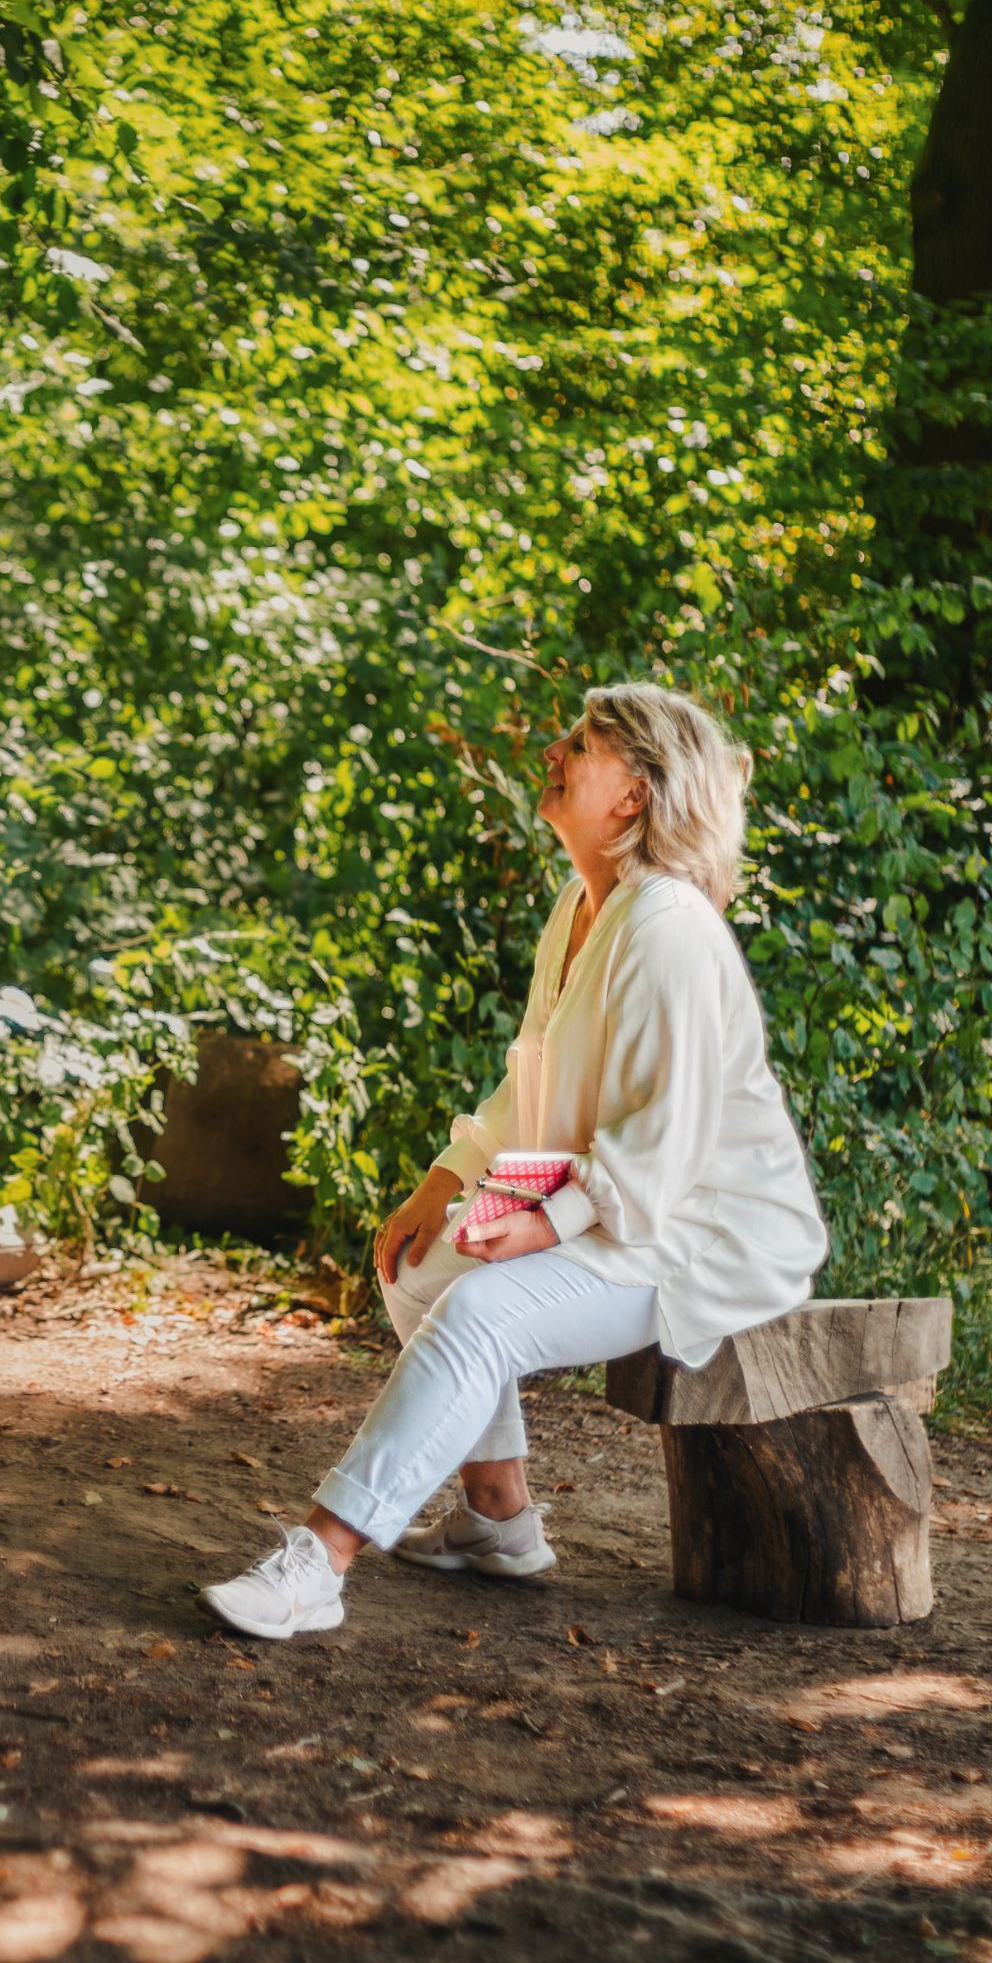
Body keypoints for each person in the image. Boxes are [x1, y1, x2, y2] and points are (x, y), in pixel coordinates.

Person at [200, 682, 828, 1639]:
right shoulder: (585, 905)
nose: (554, 752)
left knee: (481, 1311)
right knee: (418, 1269)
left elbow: (671, 1132)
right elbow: (531, 1073)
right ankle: (499, 1519)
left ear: (635, 795)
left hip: (701, 1233)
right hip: (621, 1205)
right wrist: (447, 1179)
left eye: (582, 744)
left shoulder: (666, 926)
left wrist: (550, 1221)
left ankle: (319, 1563)